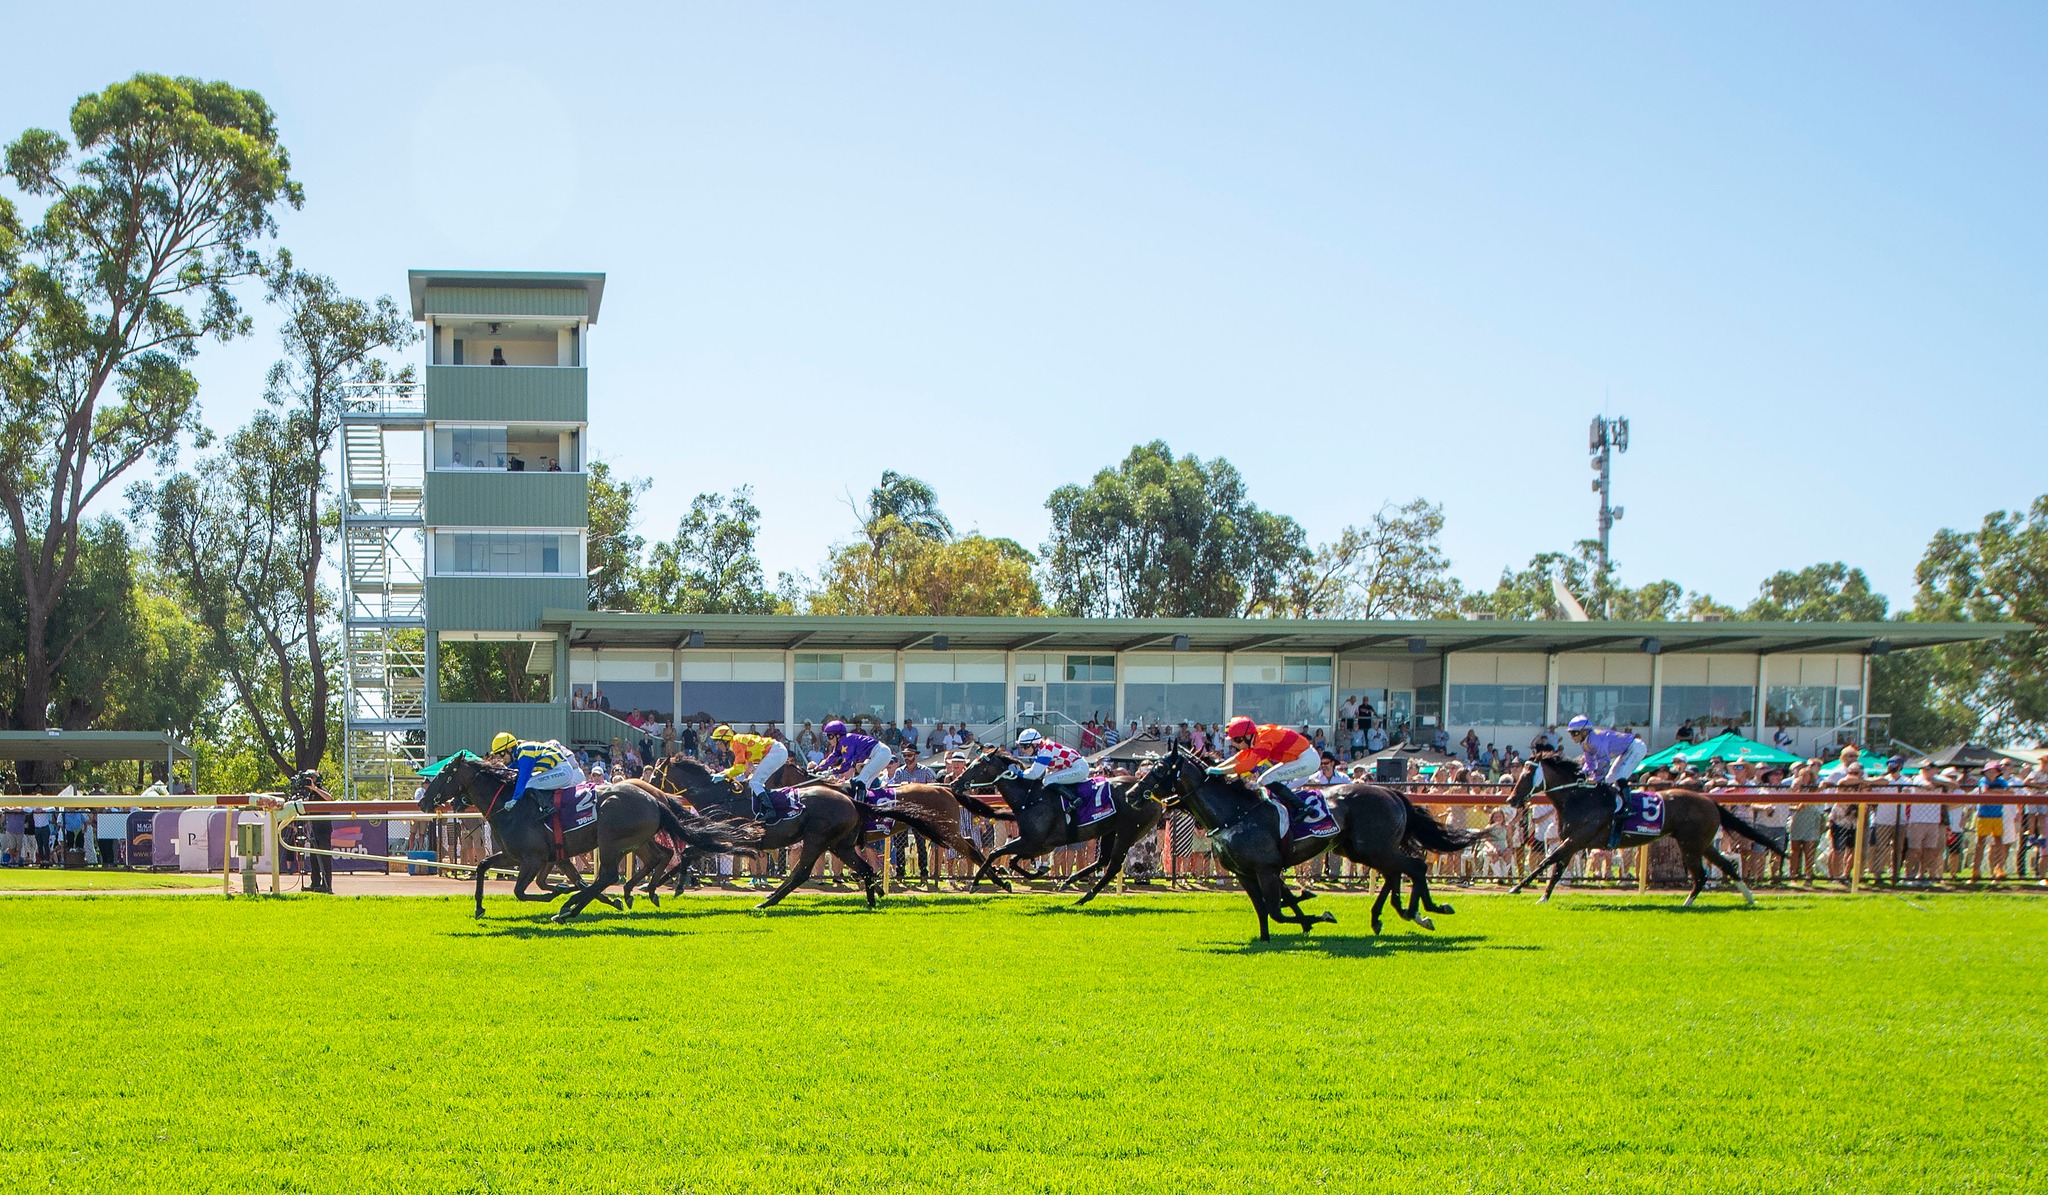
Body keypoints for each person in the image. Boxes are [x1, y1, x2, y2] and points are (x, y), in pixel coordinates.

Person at [1209, 716, 1320, 827]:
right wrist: (1216, 768)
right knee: (1263, 781)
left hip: (1307, 760)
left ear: (1247, 736)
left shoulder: (1263, 740)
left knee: (1267, 779)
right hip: (1300, 758)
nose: (1235, 744)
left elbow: (1247, 765)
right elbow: (1238, 758)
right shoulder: (1256, 737)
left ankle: (1302, 807)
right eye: (1233, 741)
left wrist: (1219, 771)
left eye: (1237, 740)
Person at [1564, 714, 1647, 848]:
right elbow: (1590, 764)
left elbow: (1604, 762)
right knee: (1610, 779)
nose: (1572, 736)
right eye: (1571, 733)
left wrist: (1596, 779)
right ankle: (1618, 803)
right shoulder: (1585, 743)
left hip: (1636, 747)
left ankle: (1628, 807)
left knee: (1619, 776)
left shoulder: (1595, 740)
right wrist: (1582, 774)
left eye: (1575, 733)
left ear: (1585, 731)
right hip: (1626, 750)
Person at [485, 733, 586, 826]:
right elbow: (513, 768)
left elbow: (524, 777)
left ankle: (547, 808)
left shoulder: (525, 752)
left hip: (563, 772)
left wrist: (514, 799)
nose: (502, 759)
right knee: (531, 781)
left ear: (510, 749)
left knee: (528, 783)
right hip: (558, 770)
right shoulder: (520, 752)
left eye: (501, 754)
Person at [1010, 728, 1089, 810]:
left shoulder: (1046, 751)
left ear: (1035, 744)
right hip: (1075, 767)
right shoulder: (1042, 749)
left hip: (1079, 768)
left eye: (1025, 746)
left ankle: (1074, 799)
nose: (1023, 750)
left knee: (1047, 780)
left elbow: (1034, 774)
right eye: (1022, 747)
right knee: (1048, 778)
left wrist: (1016, 772)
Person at [817, 719, 892, 797]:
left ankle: (860, 807)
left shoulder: (846, 740)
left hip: (881, 753)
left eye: (830, 736)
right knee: (863, 783)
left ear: (838, 735)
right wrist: (817, 768)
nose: (828, 740)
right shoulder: (840, 743)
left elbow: (846, 764)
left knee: (861, 781)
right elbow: (832, 757)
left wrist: (831, 772)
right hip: (880, 753)